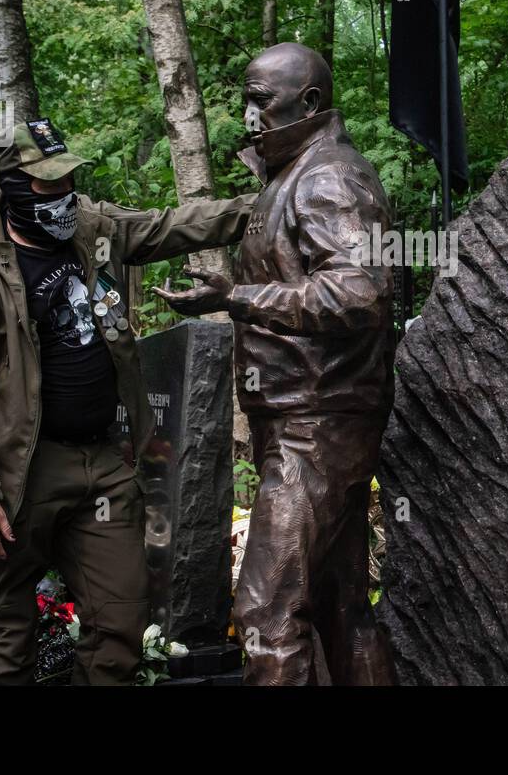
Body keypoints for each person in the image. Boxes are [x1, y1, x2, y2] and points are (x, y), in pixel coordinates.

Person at [0, 119, 254, 684]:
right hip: (21, 470)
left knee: (122, 615)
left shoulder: (88, 230)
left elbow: (169, 226)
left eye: (68, 182)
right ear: (13, 188)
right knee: (6, 631)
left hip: (102, 459)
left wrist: (262, 207)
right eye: (48, 186)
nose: (62, 197)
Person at [154, 42, 396, 685]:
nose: (248, 112)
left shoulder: (328, 177)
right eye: (245, 98)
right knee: (340, 602)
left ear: (309, 102)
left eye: (263, 99)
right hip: (302, 418)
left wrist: (235, 297)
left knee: (265, 608)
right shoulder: (288, 175)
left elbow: (362, 291)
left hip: (316, 423)